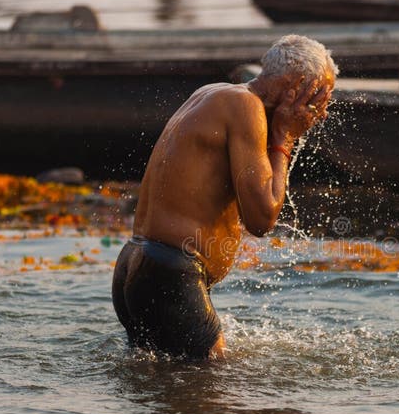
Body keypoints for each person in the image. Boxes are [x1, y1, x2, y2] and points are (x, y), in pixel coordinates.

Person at [112, 34, 338, 361]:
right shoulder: (245, 108)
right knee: (214, 390)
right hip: (170, 272)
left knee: (163, 387)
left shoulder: (215, 93)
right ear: (296, 85)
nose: (320, 112)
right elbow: (262, 219)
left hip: (139, 264)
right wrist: (284, 136)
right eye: (319, 96)